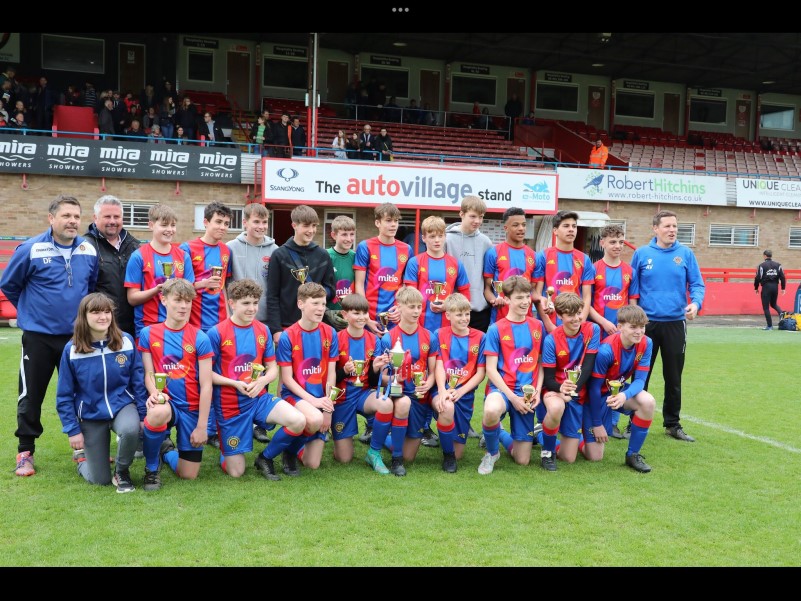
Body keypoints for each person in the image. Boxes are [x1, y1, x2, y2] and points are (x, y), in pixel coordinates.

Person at [1, 195, 99, 477]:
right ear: (51, 218)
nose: (72, 221)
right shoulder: (31, 249)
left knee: (82, 393)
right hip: (39, 337)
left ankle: (85, 450)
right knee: (32, 394)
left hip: (76, 338)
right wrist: (32, 313)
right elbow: (9, 285)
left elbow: (89, 289)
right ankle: (25, 451)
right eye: (66, 216)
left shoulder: (88, 249)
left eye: (76, 217)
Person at [206, 278, 306, 480]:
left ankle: (265, 457)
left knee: (298, 420)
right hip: (229, 405)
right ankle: (227, 449)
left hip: (259, 399)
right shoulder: (216, 333)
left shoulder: (263, 330)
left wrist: (261, 381)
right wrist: (234, 383)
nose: (252, 308)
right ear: (232, 303)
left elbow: (272, 369)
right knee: (236, 472)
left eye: (254, 303)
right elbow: (206, 374)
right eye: (245, 303)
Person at [56, 293, 146, 492]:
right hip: (90, 414)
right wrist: (73, 430)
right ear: (84, 316)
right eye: (96, 312)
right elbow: (63, 394)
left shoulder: (126, 342)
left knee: (131, 430)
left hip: (122, 405)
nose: (103, 317)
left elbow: (138, 382)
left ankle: (122, 471)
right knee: (99, 480)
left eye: (107, 312)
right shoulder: (72, 350)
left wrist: (142, 414)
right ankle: (82, 458)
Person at [630, 210, 705, 442]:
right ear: (655, 229)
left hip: (675, 324)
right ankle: (633, 423)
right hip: (646, 325)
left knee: (673, 377)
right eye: (667, 226)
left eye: (675, 226)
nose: (672, 230)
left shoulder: (685, 254)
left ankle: (672, 424)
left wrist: (695, 303)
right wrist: (635, 319)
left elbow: (697, 284)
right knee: (641, 377)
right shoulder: (642, 254)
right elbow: (633, 288)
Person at [138, 278, 213, 491]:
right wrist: (154, 392)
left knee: (188, 475)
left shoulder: (200, 337)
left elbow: (207, 385)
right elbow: (149, 373)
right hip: (167, 403)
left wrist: (201, 427)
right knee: (157, 413)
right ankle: (152, 468)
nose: (183, 306)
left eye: (188, 301)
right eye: (178, 300)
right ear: (163, 300)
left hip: (191, 407)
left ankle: (166, 450)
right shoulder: (148, 334)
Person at [403, 215, 470, 447]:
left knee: (447, 376)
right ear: (424, 238)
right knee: (419, 377)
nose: (436, 240)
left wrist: (448, 303)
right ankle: (418, 426)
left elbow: (464, 296)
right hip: (420, 329)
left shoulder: (454, 264)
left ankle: (450, 420)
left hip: (446, 332)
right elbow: (409, 296)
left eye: (440, 236)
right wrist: (426, 303)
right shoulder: (415, 262)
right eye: (431, 236)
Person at [477, 276, 544, 475]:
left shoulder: (537, 326)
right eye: (519, 298)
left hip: (528, 393)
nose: (525, 302)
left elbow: (541, 363)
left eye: (527, 296)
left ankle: (499, 433)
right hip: (503, 389)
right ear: (506, 299)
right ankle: (492, 453)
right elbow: (490, 370)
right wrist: (513, 398)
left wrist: (538, 392)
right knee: (491, 411)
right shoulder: (495, 329)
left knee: (522, 460)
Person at [180, 201, 233, 447]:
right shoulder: (187, 248)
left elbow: (223, 288)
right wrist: (202, 284)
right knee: (197, 379)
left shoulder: (225, 251)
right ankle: (194, 426)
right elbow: (180, 288)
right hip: (196, 325)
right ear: (205, 222)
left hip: (220, 324)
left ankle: (213, 428)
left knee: (219, 376)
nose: (222, 227)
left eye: (226, 223)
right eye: (218, 222)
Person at [226, 203, 278, 445]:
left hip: (264, 320)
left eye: (264, 222)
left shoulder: (274, 249)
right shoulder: (230, 249)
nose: (260, 226)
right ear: (244, 222)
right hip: (237, 322)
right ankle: (234, 417)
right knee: (236, 369)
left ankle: (260, 422)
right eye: (256, 221)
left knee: (262, 371)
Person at [275, 282, 338, 474]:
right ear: (300, 304)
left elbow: (331, 374)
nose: (321, 309)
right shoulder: (288, 336)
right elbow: (286, 379)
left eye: (323, 304)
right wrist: (314, 402)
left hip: (320, 399)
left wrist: (328, 408)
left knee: (312, 464)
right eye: (315, 303)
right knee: (313, 418)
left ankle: (293, 444)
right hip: (296, 396)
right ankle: (288, 452)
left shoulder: (330, 332)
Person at [586, 304, 656, 473]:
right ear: (619, 327)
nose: (638, 331)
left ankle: (633, 454)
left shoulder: (647, 343)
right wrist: (597, 424)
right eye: (633, 327)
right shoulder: (606, 350)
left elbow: (640, 380)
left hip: (617, 392)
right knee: (594, 456)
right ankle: (554, 435)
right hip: (597, 396)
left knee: (648, 402)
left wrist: (624, 396)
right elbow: (594, 389)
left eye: (642, 327)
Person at [586, 222, 638, 439]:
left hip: (621, 335)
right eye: (613, 242)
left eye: (620, 242)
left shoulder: (629, 271)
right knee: (596, 378)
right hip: (599, 333)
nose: (617, 246)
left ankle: (614, 421)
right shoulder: (593, 268)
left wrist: (629, 328)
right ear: (603, 243)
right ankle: (593, 419)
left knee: (620, 376)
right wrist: (604, 323)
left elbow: (633, 304)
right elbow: (586, 303)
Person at [539, 292, 601, 471]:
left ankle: (542, 432)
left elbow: (588, 367)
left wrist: (572, 391)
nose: (576, 319)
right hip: (555, 390)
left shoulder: (592, 330)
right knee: (557, 406)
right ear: (559, 315)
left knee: (569, 458)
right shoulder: (551, 340)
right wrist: (561, 389)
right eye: (570, 314)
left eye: (579, 313)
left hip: (576, 391)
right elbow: (549, 379)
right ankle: (547, 451)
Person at [332, 293, 393, 473]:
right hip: (342, 398)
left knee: (385, 403)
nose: (362, 317)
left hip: (363, 394)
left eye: (364, 313)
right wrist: (345, 370)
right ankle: (336, 437)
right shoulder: (336, 338)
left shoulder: (374, 340)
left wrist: (375, 367)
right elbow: (329, 378)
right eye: (356, 313)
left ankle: (374, 452)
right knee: (344, 459)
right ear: (344, 315)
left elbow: (374, 383)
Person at [431, 293, 486, 472]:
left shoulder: (480, 337)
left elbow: (481, 372)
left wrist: (461, 391)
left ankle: (497, 432)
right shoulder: (439, 334)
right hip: (442, 389)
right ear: (448, 315)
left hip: (465, 394)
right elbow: (438, 364)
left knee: (459, 452)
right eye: (459, 314)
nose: (464, 318)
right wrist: (441, 390)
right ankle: (448, 458)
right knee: (447, 406)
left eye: (467, 314)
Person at [265, 205, 336, 345]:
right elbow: (272, 295)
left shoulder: (323, 255)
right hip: (287, 326)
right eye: (306, 226)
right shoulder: (279, 255)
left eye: (314, 226)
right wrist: (276, 329)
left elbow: (331, 289)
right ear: (294, 225)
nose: (311, 230)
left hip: (315, 325)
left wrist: (316, 295)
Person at [386, 286, 438, 476]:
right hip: (398, 395)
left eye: (419, 307)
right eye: (411, 307)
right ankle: (395, 458)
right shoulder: (388, 337)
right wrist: (394, 379)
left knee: (411, 457)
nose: (416, 311)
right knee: (402, 404)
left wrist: (429, 383)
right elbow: (381, 376)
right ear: (399, 307)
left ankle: (385, 438)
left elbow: (433, 371)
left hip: (419, 397)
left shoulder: (429, 336)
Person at [124, 204, 195, 340]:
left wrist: (185, 324)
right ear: (151, 225)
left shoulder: (183, 256)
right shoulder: (138, 256)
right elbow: (132, 299)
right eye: (164, 225)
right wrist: (157, 290)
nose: (169, 230)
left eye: (173, 225)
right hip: (148, 327)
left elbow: (189, 296)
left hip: (178, 328)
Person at [83, 195, 140, 338]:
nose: (113, 221)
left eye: (117, 217)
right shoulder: (84, 247)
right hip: (99, 328)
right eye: (107, 217)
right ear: (95, 218)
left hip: (131, 328)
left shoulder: (135, 246)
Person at [353, 202, 411, 336]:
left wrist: (401, 308)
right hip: (370, 317)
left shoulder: (406, 249)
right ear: (377, 223)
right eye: (388, 220)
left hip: (395, 317)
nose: (393, 225)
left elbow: (405, 284)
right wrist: (365, 317)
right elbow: (359, 284)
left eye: (396, 221)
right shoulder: (365, 246)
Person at [533, 209, 595, 333]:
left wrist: (581, 320)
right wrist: (548, 324)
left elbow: (587, 297)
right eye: (566, 226)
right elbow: (538, 295)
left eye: (574, 226)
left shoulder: (585, 259)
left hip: (575, 324)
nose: (571, 229)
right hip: (550, 324)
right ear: (555, 231)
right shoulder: (543, 256)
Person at [445, 195, 494, 333]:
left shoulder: (486, 242)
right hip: (453, 309)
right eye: (472, 216)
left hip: (479, 309)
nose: (477, 221)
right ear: (461, 214)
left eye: (481, 217)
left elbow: (488, 277)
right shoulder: (446, 240)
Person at [483, 206, 537, 324]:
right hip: (499, 319)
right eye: (516, 225)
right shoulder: (493, 253)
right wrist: (494, 300)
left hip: (526, 319)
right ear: (506, 228)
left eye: (523, 224)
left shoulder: (533, 255)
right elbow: (487, 289)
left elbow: (533, 289)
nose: (521, 228)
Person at [325, 215, 356, 331]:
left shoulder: (357, 257)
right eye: (344, 234)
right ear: (334, 235)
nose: (349, 239)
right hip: (328, 318)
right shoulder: (325, 256)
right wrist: (326, 312)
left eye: (352, 234)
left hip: (351, 318)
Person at [754, 249, 786, 330]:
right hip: (775, 286)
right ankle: (781, 313)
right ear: (771, 256)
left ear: (764, 256)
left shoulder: (762, 265)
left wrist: (756, 287)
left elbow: (758, 277)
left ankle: (769, 326)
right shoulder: (778, 265)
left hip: (766, 287)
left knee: (766, 307)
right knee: (773, 304)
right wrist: (783, 288)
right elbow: (782, 277)